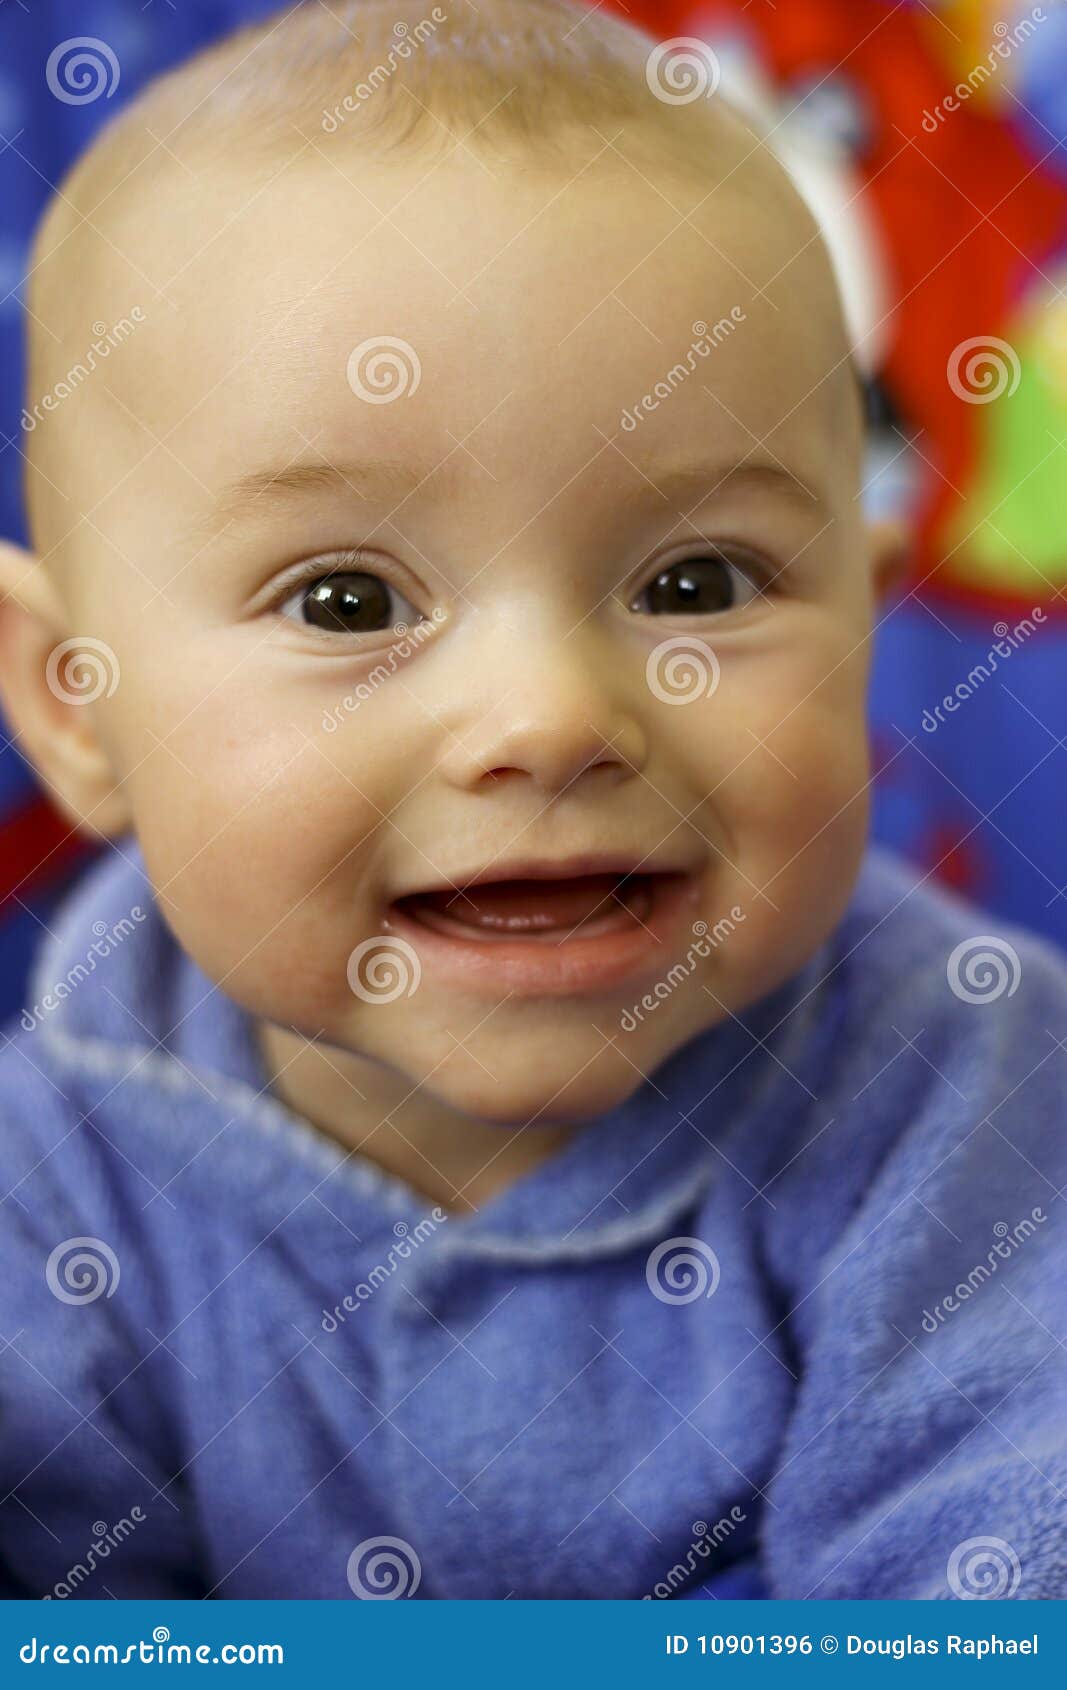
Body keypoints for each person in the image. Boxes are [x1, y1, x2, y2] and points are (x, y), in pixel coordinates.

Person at [0, 0, 1062, 1601]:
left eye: (698, 580)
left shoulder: (965, 1102)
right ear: (75, 702)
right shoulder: (50, 1177)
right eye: (349, 602)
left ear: (864, 602)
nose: (552, 717)